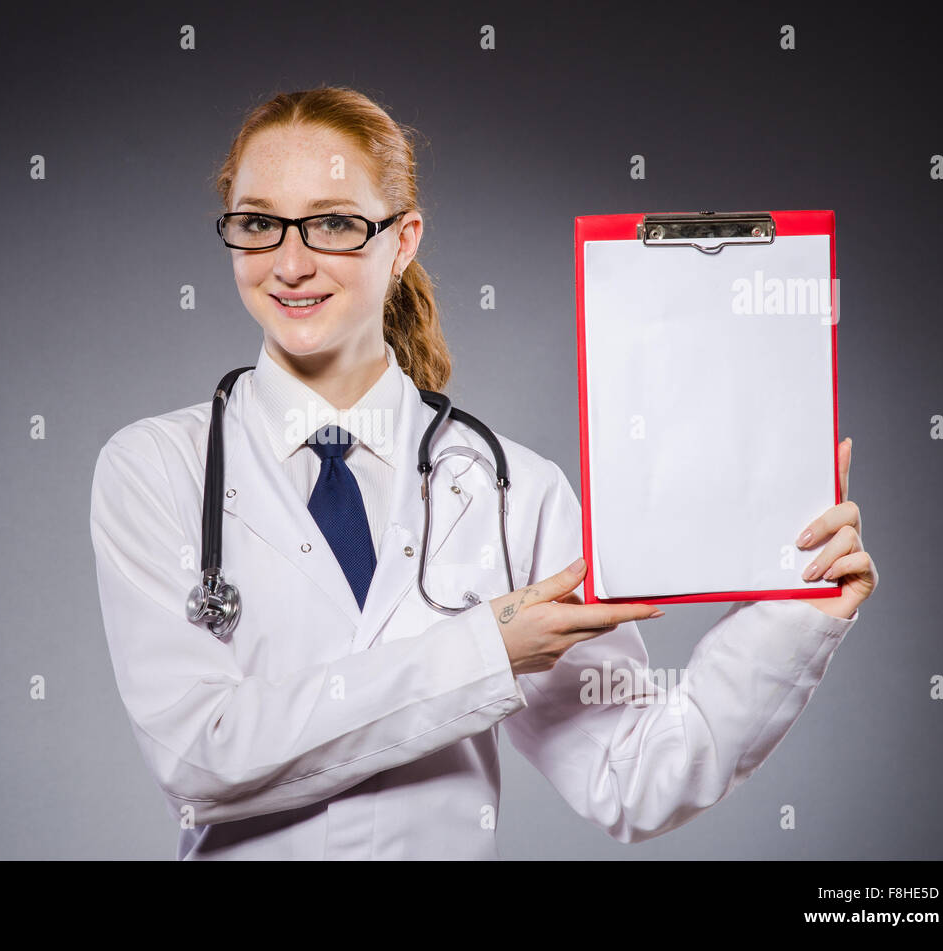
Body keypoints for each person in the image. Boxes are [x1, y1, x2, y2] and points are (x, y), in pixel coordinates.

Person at [88, 86, 878, 860]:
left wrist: (797, 604)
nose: (291, 263)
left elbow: (634, 776)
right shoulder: (158, 470)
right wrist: (487, 652)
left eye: (333, 224)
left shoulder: (514, 493)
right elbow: (199, 761)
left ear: (402, 240)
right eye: (259, 223)